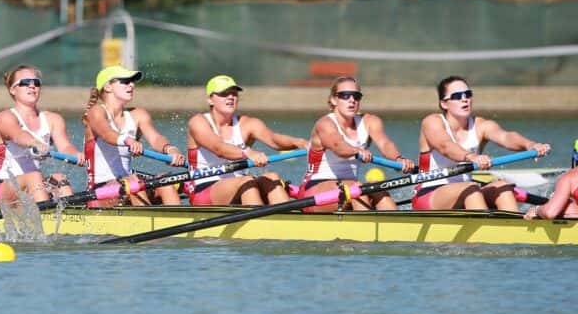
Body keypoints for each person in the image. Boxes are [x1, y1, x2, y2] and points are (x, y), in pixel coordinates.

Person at [413, 75, 551, 211]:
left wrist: (530, 145)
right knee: (471, 189)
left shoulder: (481, 125)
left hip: (468, 190)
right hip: (428, 193)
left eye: (468, 94)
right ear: (444, 103)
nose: (464, 99)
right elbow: (445, 146)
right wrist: (471, 157)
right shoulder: (432, 122)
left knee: (502, 187)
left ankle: (514, 230)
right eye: (457, 96)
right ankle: (487, 229)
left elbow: (506, 137)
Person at [185, 75, 309, 205]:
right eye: (224, 94)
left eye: (234, 93)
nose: (231, 97)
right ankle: (261, 223)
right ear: (210, 99)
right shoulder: (198, 122)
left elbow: (274, 139)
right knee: (246, 181)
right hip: (204, 188)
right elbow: (218, 148)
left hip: (241, 185)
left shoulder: (248, 124)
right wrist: (247, 153)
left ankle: (287, 221)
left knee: (272, 178)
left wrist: (300, 142)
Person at [298, 76, 415, 212]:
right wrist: (356, 150)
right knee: (356, 190)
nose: (352, 100)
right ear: (333, 100)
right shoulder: (325, 124)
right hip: (313, 190)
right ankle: (367, 229)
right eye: (345, 95)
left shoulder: (370, 121)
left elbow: (385, 144)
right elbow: (338, 147)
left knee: (378, 189)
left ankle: (399, 227)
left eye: (356, 96)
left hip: (349, 187)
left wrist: (398, 159)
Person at [82, 65, 185, 207]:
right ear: (108, 87)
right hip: (98, 192)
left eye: (132, 81)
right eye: (125, 81)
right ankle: (148, 223)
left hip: (129, 185)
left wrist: (170, 149)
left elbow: (155, 139)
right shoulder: (96, 112)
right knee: (132, 182)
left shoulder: (138, 114)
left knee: (166, 181)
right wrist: (127, 140)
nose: (131, 85)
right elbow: (106, 133)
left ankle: (177, 223)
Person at [0, 64, 85, 204]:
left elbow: (65, 147)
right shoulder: (5, 117)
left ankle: (72, 221)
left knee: (59, 179)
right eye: (25, 83)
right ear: (13, 90)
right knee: (35, 177)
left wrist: (76, 155)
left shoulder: (53, 119)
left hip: (34, 186)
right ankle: (45, 219)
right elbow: (18, 136)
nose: (32, 86)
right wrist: (34, 142)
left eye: (36, 83)